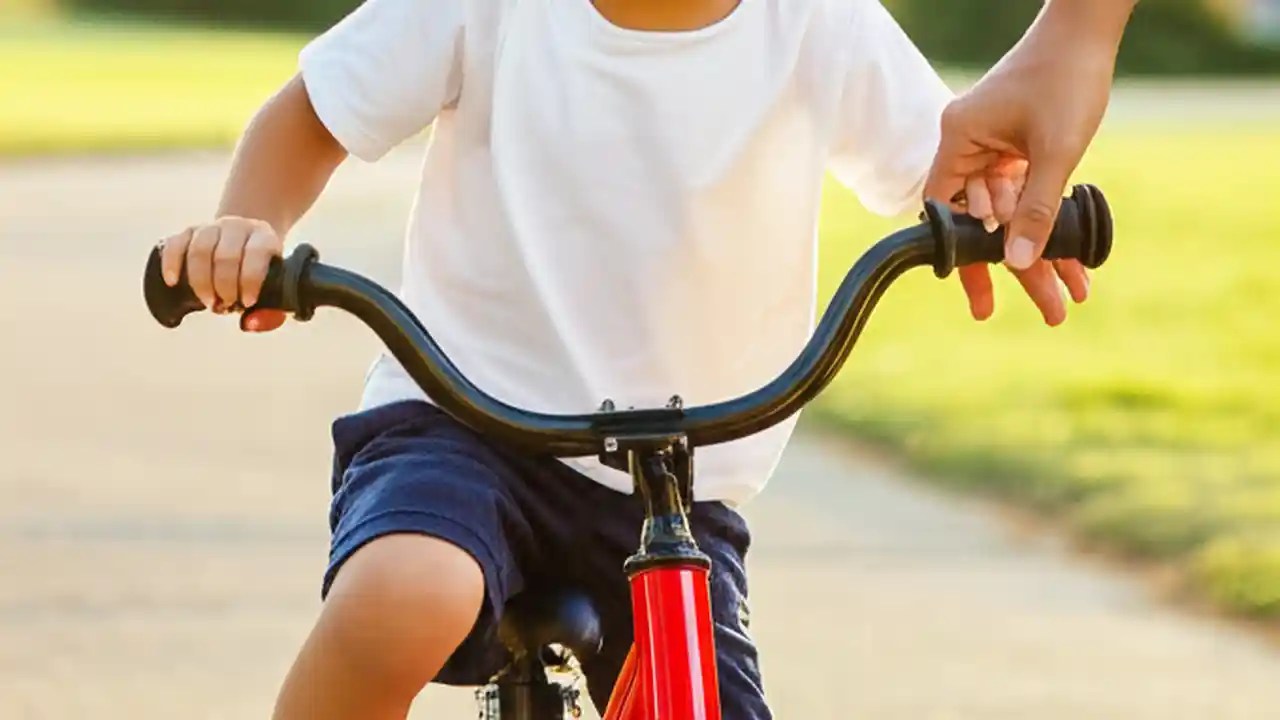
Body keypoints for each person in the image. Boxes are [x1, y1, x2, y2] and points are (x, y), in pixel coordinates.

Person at [155, 0, 1133, 718]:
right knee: (407, 592)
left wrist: (1001, 214)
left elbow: (953, 167)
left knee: (695, 699)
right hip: (462, 425)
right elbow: (308, 115)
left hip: (676, 481)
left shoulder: (818, 23)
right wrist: (246, 227)